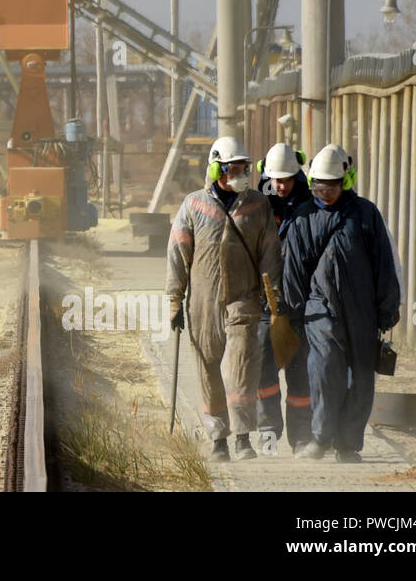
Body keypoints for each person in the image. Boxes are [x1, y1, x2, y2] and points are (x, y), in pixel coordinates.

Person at [282, 145, 402, 463]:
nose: (326, 193)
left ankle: (348, 444)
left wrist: (388, 307)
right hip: (320, 310)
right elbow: (294, 268)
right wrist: (294, 312)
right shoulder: (304, 217)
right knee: (323, 372)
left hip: (363, 311)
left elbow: (384, 264)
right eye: (319, 187)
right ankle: (321, 438)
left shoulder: (365, 214)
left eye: (331, 187)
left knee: (362, 378)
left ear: (345, 181)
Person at [166, 136, 281, 462]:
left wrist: (275, 299)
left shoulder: (259, 205)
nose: (241, 173)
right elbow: (177, 254)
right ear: (217, 168)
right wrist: (175, 300)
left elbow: (271, 254)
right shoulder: (193, 205)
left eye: (245, 167)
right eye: (234, 168)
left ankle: (243, 438)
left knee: (241, 368)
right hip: (202, 304)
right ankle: (218, 439)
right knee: (208, 371)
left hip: (243, 302)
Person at [254, 143, 313, 455]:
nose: (280, 185)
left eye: (287, 179)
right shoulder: (257, 203)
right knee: (264, 369)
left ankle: (301, 437)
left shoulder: (312, 205)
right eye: (275, 179)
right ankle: (268, 434)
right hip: (266, 305)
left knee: (301, 373)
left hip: (301, 306)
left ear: (297, 174)